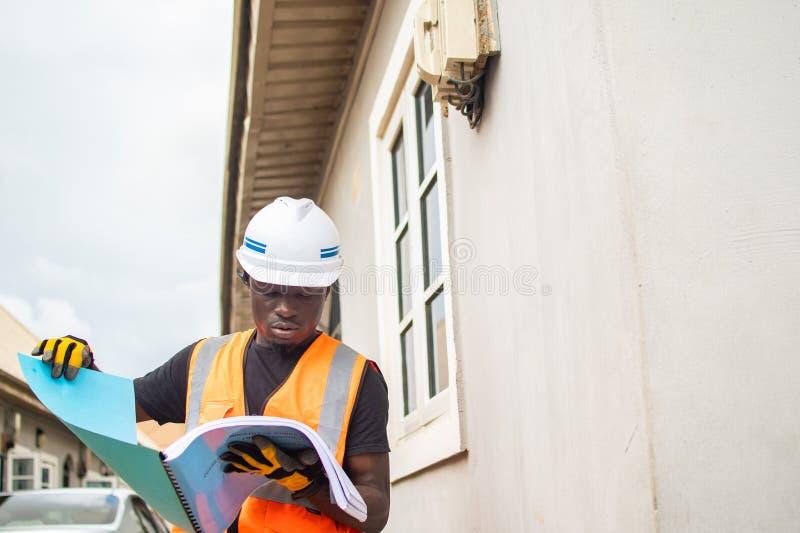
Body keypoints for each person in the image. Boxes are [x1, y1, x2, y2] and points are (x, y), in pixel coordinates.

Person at [32, 197, 390, 533]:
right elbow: (109, 410)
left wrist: (310, 484)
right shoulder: (202, 361)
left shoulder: (357, 379)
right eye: (269, 289)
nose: (286, 307)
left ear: (327, 288)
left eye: (303, 292)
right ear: (246, 279)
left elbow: (375, 513)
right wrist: (79, 371)